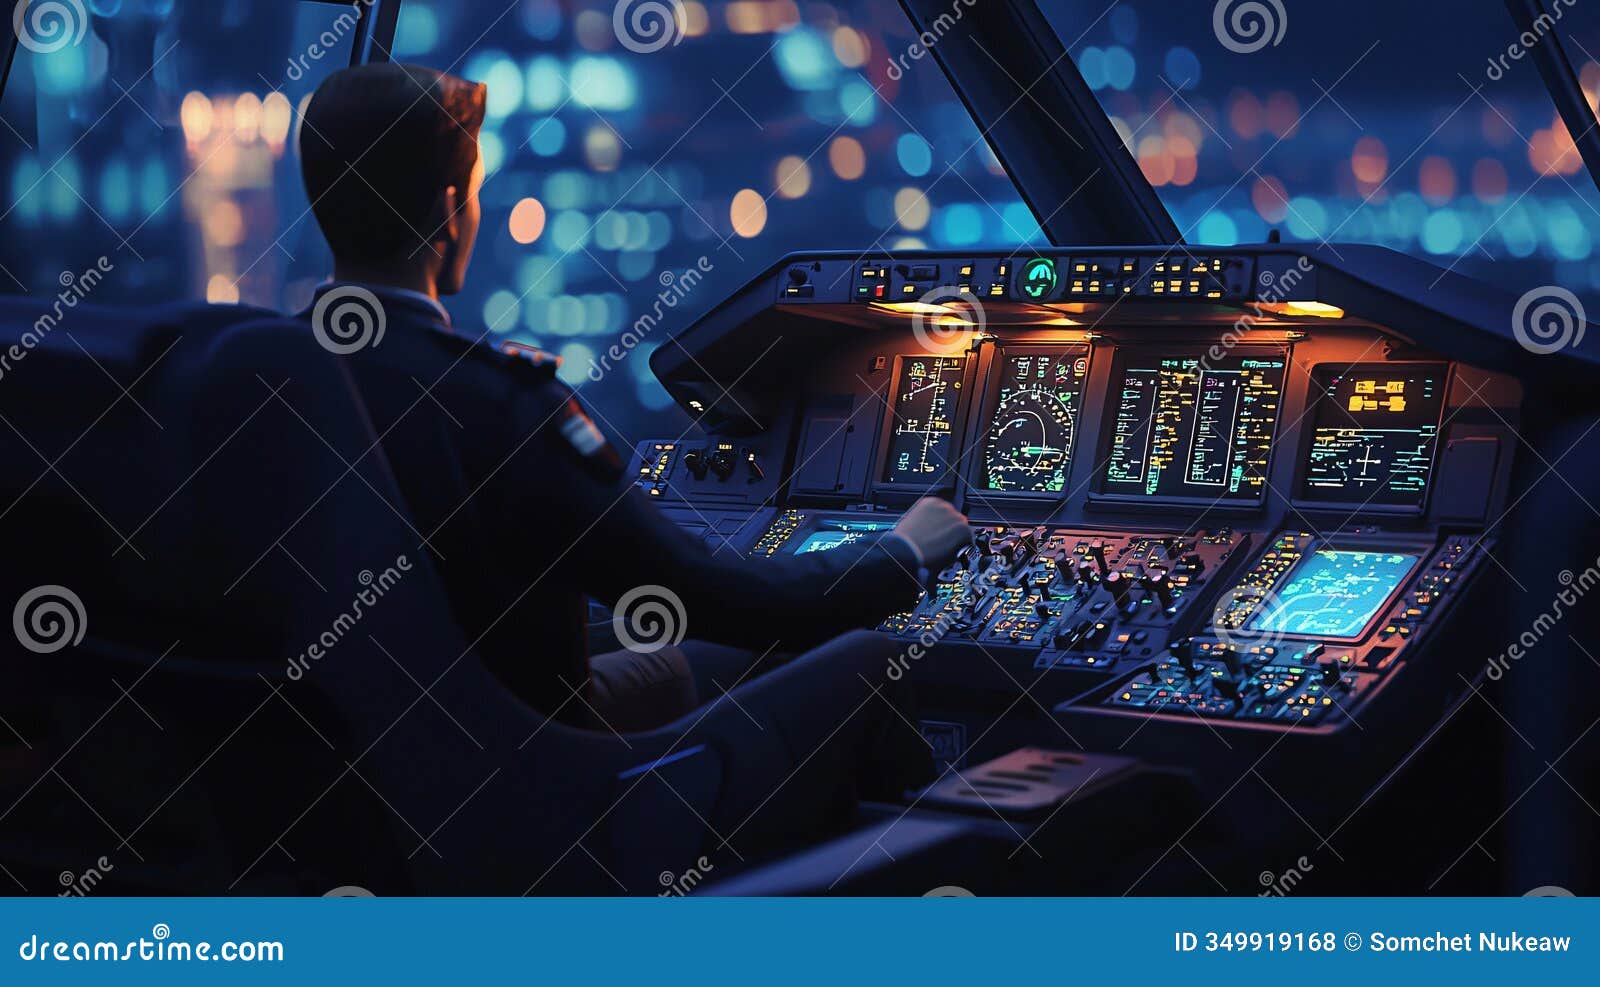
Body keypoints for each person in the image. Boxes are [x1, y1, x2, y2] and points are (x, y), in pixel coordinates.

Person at [293, 64, 972, 751]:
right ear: (447, 210)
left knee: (713, 661)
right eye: (474, 192)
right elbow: (705, 593)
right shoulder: (500, 405)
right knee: (861, 664)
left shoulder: (267, 384)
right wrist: (900, 555)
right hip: (536, 780)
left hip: (347, 774)